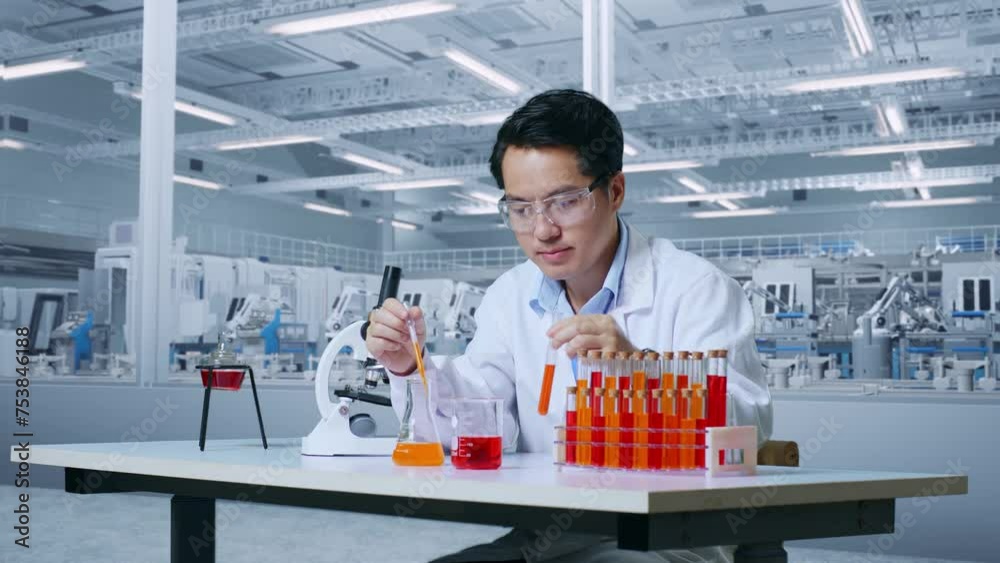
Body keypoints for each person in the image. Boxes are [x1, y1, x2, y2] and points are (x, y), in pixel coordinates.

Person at [365, 89, 772, 563]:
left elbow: (745, 431)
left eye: (564, 202)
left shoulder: (697, 289)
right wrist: (409, 367)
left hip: (666, 538)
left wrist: (640, 372)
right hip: (546, 533)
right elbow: (479, 418)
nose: (542, 231)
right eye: (520, 209)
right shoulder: (509, 295)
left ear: (614, 191)